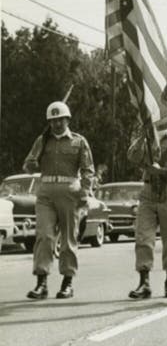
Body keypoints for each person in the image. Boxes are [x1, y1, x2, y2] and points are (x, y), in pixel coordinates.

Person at [23, 101, 95, 300]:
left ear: (68, 119)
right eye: (53, 120)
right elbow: (28, 166)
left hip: (70, 192)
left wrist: (85, 192)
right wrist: (31, 163)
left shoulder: (79, 141)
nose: (57, 124)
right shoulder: (42, 140)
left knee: (68, 238)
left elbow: (88, 169)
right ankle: (41, 282)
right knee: (44, 236)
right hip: (45, 191)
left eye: (60, 119)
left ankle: (67, 282)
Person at [127, 118, 167, 299]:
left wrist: (164, 171)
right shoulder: (146, 140)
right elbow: (131, 156)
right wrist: (143, 136)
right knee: (143, 237)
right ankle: (144, 282)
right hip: (148, 190)